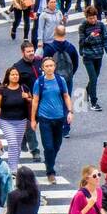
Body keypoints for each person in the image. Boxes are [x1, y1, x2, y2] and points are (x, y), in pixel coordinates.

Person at [28, 55, 72, 184]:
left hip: (59, 117)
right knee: (48, 146)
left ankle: (49, 161)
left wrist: (70, 111)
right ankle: (50, 171)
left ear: (55, 67)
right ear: (42, 68)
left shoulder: (60, 80)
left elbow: (66, 96)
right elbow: (35, 101)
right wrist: (33, 119)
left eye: (51, 65)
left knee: (57, 145)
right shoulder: (39, 82)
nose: (49, 68)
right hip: (45, 118)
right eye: (46, 66)